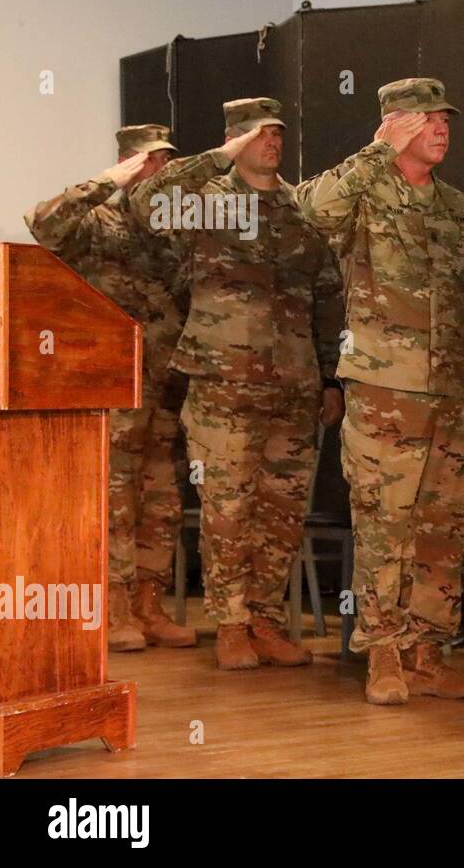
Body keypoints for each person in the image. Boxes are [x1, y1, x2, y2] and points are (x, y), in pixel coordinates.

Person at [297, 78, 464, 705]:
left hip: (451, 392)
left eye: (446, 120)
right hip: (385, 388)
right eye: (427, 120)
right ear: (394, 124)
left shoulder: (459, 207)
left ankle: (427, 652)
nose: (441, 130)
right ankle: (382, 652)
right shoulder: (364, 190)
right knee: (386, 524)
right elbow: (311, 209)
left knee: (443, 528)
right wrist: (375, 150)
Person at [130, 98, 345, 671]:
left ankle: (267, 620)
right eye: (258, 133)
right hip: (224, 383)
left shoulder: (301, 208)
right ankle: (228, 623)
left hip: (294, 383)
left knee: (281, 509)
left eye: (278, 132)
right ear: (234, 139)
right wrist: (216, 158)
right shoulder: (206, 204)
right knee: (228, 507)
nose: (272, 141)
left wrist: (329, 377)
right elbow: (147, 202)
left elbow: (326, 294)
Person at [25, 124, 195, 652]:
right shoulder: (95, 222)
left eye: (168, 164)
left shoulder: (175, 232)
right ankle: (114, 607)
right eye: (151, 163)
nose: (161, 174)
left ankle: (149, 603)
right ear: (128, 165)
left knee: (162, 498)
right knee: (115, 500)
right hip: (112, 388)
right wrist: (106, 181)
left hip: (165, 386)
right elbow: (42, 223)